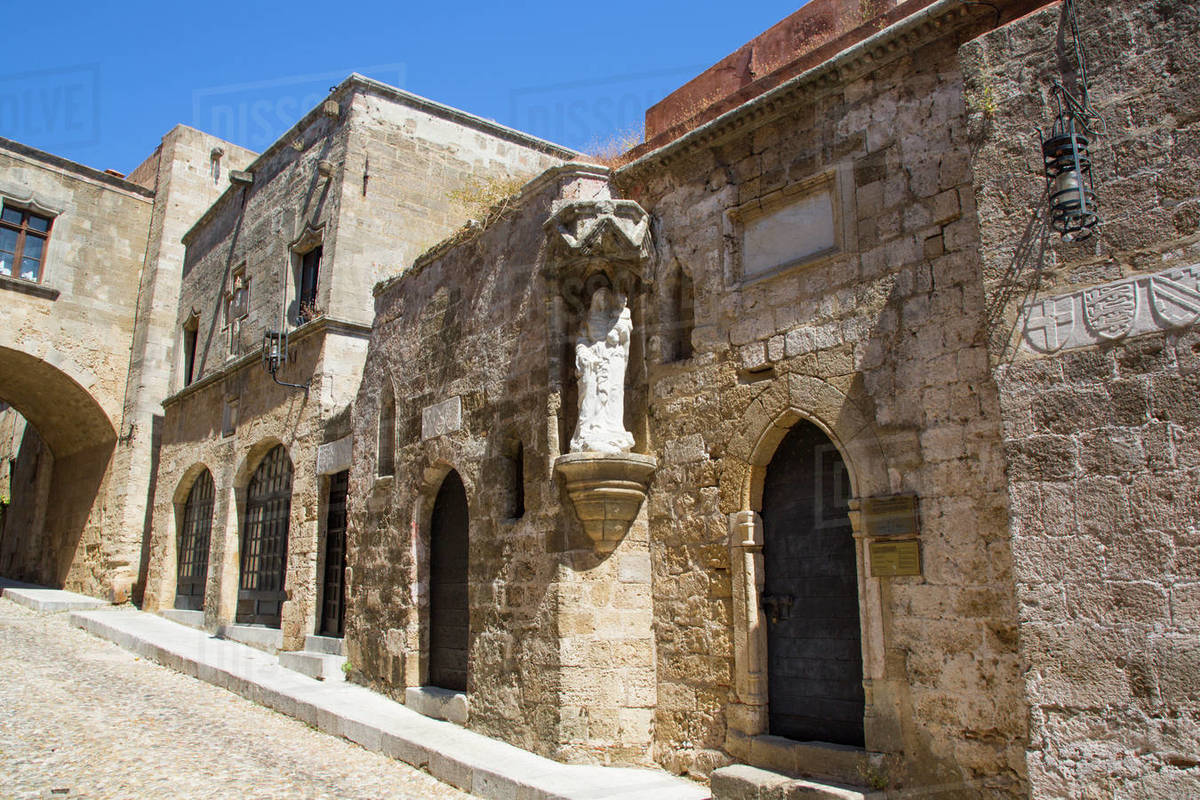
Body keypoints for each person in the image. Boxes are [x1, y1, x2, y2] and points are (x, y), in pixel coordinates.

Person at [570, 287, 634, 454]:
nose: (605, 302)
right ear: (595, 301)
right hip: (593, 362)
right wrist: (584, 355)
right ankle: (588, 431)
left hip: (612, 359)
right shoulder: (588, 320)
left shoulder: (615, 318)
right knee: (590, 393)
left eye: (607, 299)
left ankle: (614, 429)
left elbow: (624, 336)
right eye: (601, 299)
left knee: (614, 392)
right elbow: (581, 341)